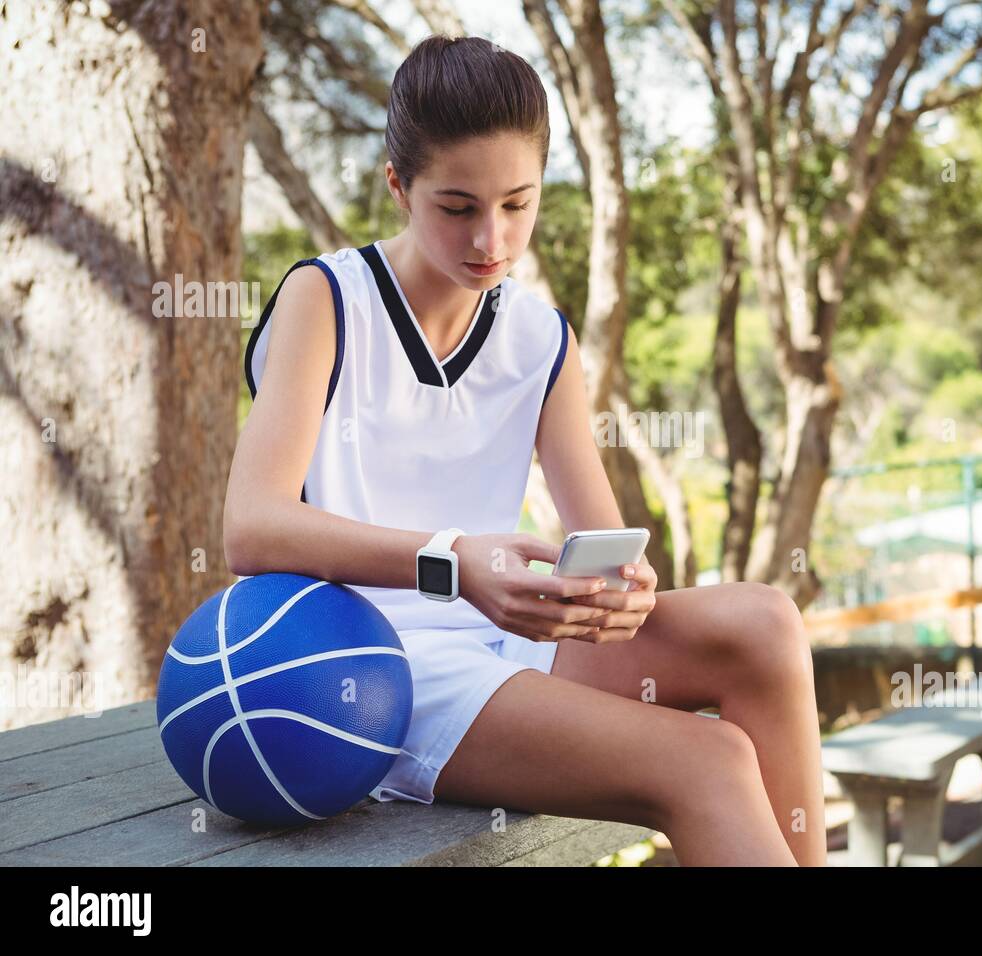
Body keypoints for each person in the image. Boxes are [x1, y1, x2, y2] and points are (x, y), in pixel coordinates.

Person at [224, 34, 824, 866]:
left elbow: (604, 549)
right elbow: (250, 530)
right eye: (458, 206)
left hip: (510, 644)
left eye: (519, 203)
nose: (491, 240)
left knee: (765, 623)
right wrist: (453, 561)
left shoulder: (541, 338)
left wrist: (618, 589)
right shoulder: (327, 300)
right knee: (712, 760)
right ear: (399, 186)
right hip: (377, 668)